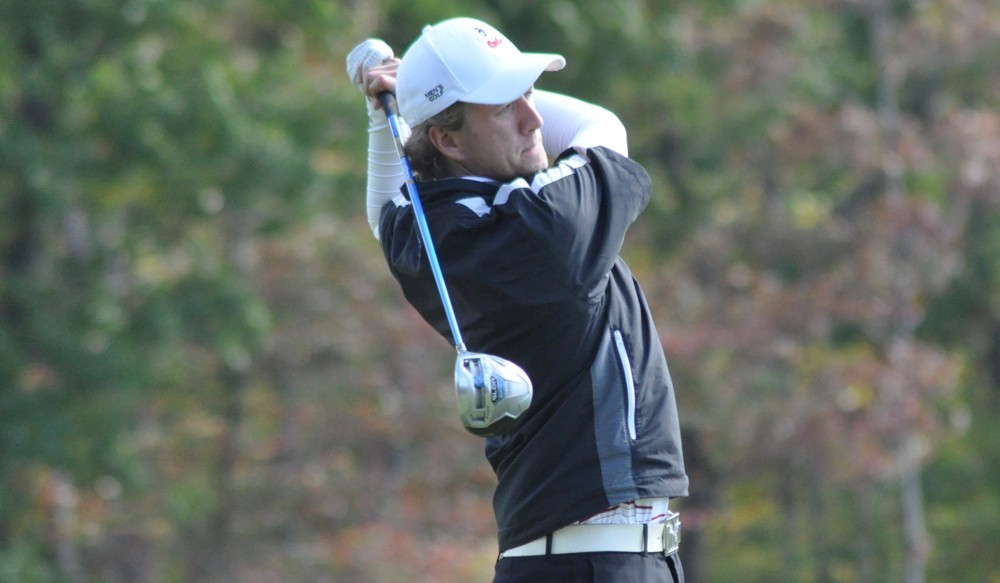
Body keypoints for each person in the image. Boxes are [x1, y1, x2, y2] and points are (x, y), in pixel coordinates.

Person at [349, 17, 688, 583]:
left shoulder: (427, 236)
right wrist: (407, 95)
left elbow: (384, 209)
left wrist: (394, 109)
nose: (533, 118)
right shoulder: (545, 231)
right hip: (599, 564)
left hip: (577, 559)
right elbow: (601, 126)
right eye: (505, 106)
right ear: (447, 140)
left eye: (528, 93)